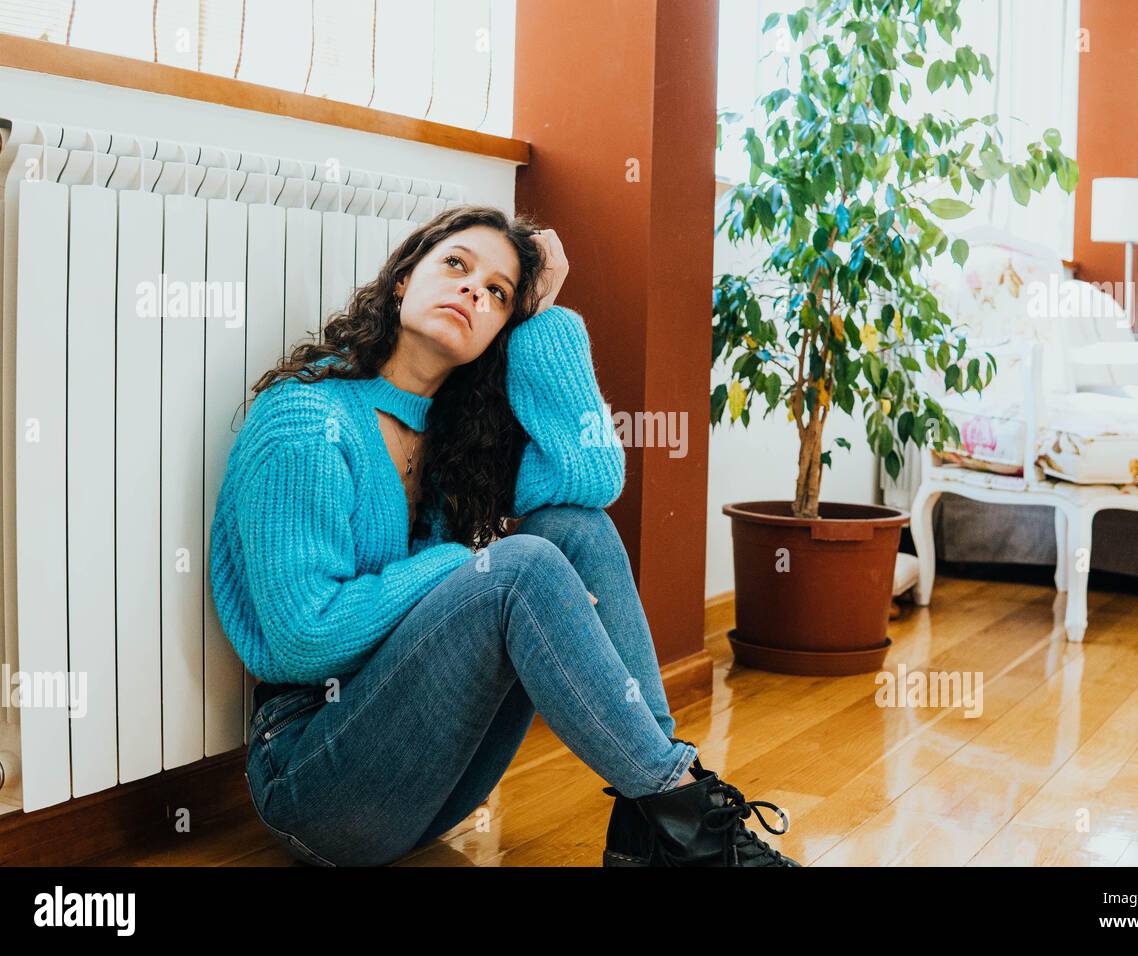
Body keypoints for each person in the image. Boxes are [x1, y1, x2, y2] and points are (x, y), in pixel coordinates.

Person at [208, 204, 799, 867]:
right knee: (517, 565)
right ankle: (683, 820)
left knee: (570, 528)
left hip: (432, 788)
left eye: (498, 292)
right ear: (403, 279)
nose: (472, 290)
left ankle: (658, 812)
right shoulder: (307, 418)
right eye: (457, 265)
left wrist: (544, 315)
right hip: (316, 783)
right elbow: (302, 639)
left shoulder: (459, 439)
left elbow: (591, 479)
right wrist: (463, 561)